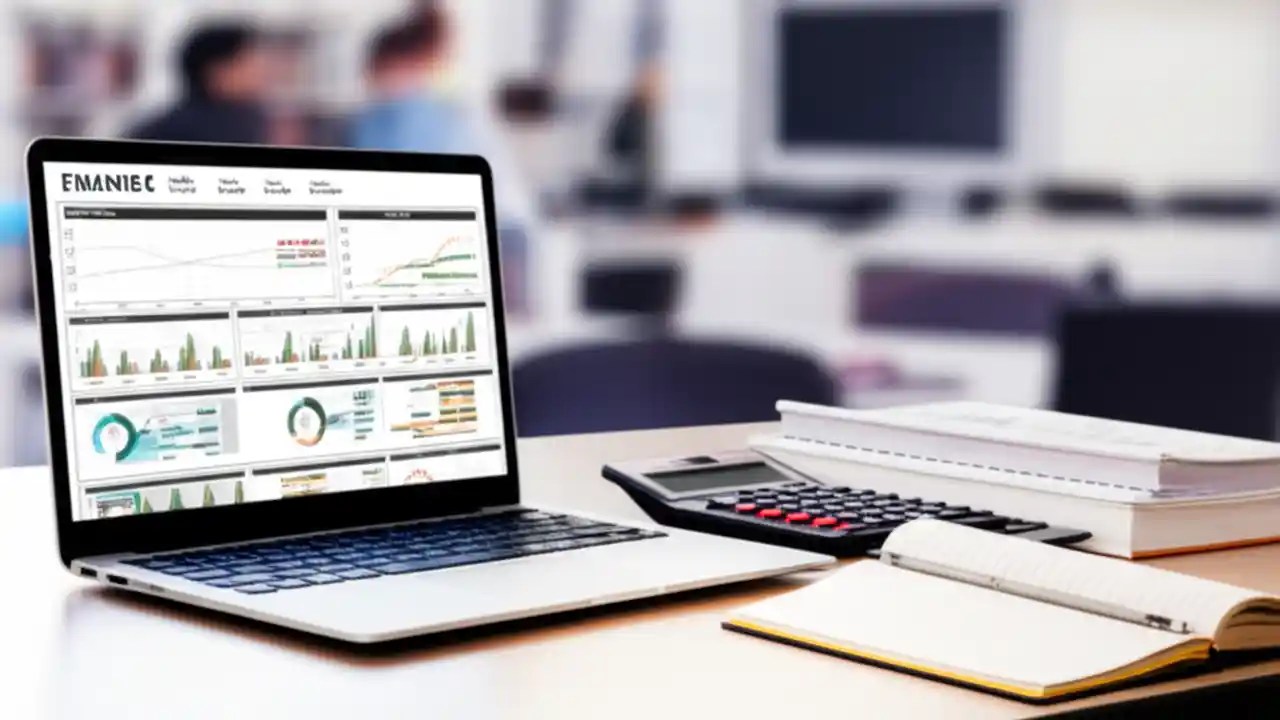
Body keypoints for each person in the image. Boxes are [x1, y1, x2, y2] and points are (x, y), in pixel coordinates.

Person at [128, 23, 270, 144]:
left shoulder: (249, 122)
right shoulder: (174, 132)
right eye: (249, 63)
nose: (261, 72)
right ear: (217, 72)